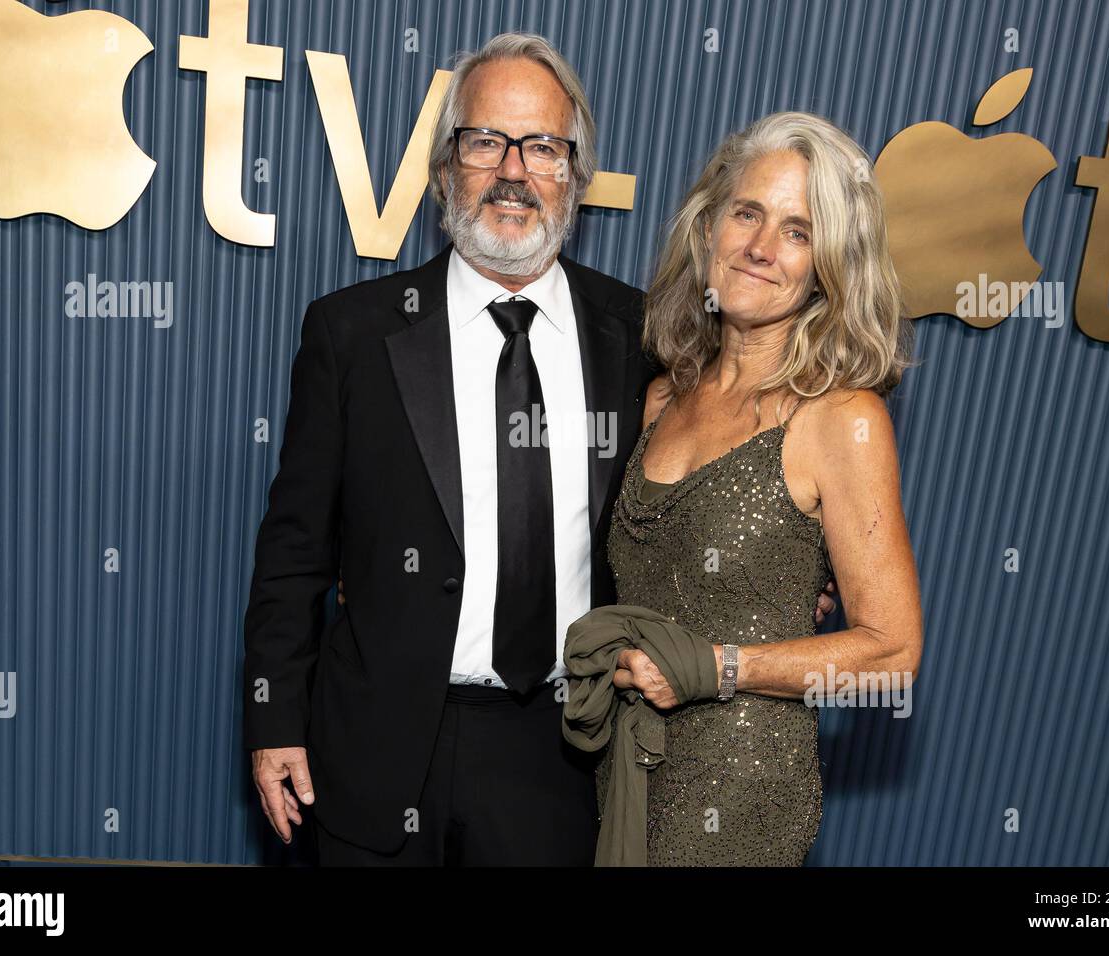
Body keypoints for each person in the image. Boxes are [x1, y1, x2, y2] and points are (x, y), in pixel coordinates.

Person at [243, 33, 835, 866]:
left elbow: (724, 474)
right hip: (374, 743)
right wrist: (273, 719)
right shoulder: (353, 333)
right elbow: (293, 551)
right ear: (445, 168)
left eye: (544, 147)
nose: (513, 172)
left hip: (563, 752)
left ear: (576, 175)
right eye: (486, 141)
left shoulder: (646, 340)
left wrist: (797, 570)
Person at [600, 111, 923, 865]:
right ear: (709, 224)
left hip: (742, 792)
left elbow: (892, 653)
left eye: (797, 232)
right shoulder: (663, 396)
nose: (761, 248)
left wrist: (719, 666)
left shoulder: (840, 417)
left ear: (828, 267)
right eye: (747, 213)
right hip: (625, 768)